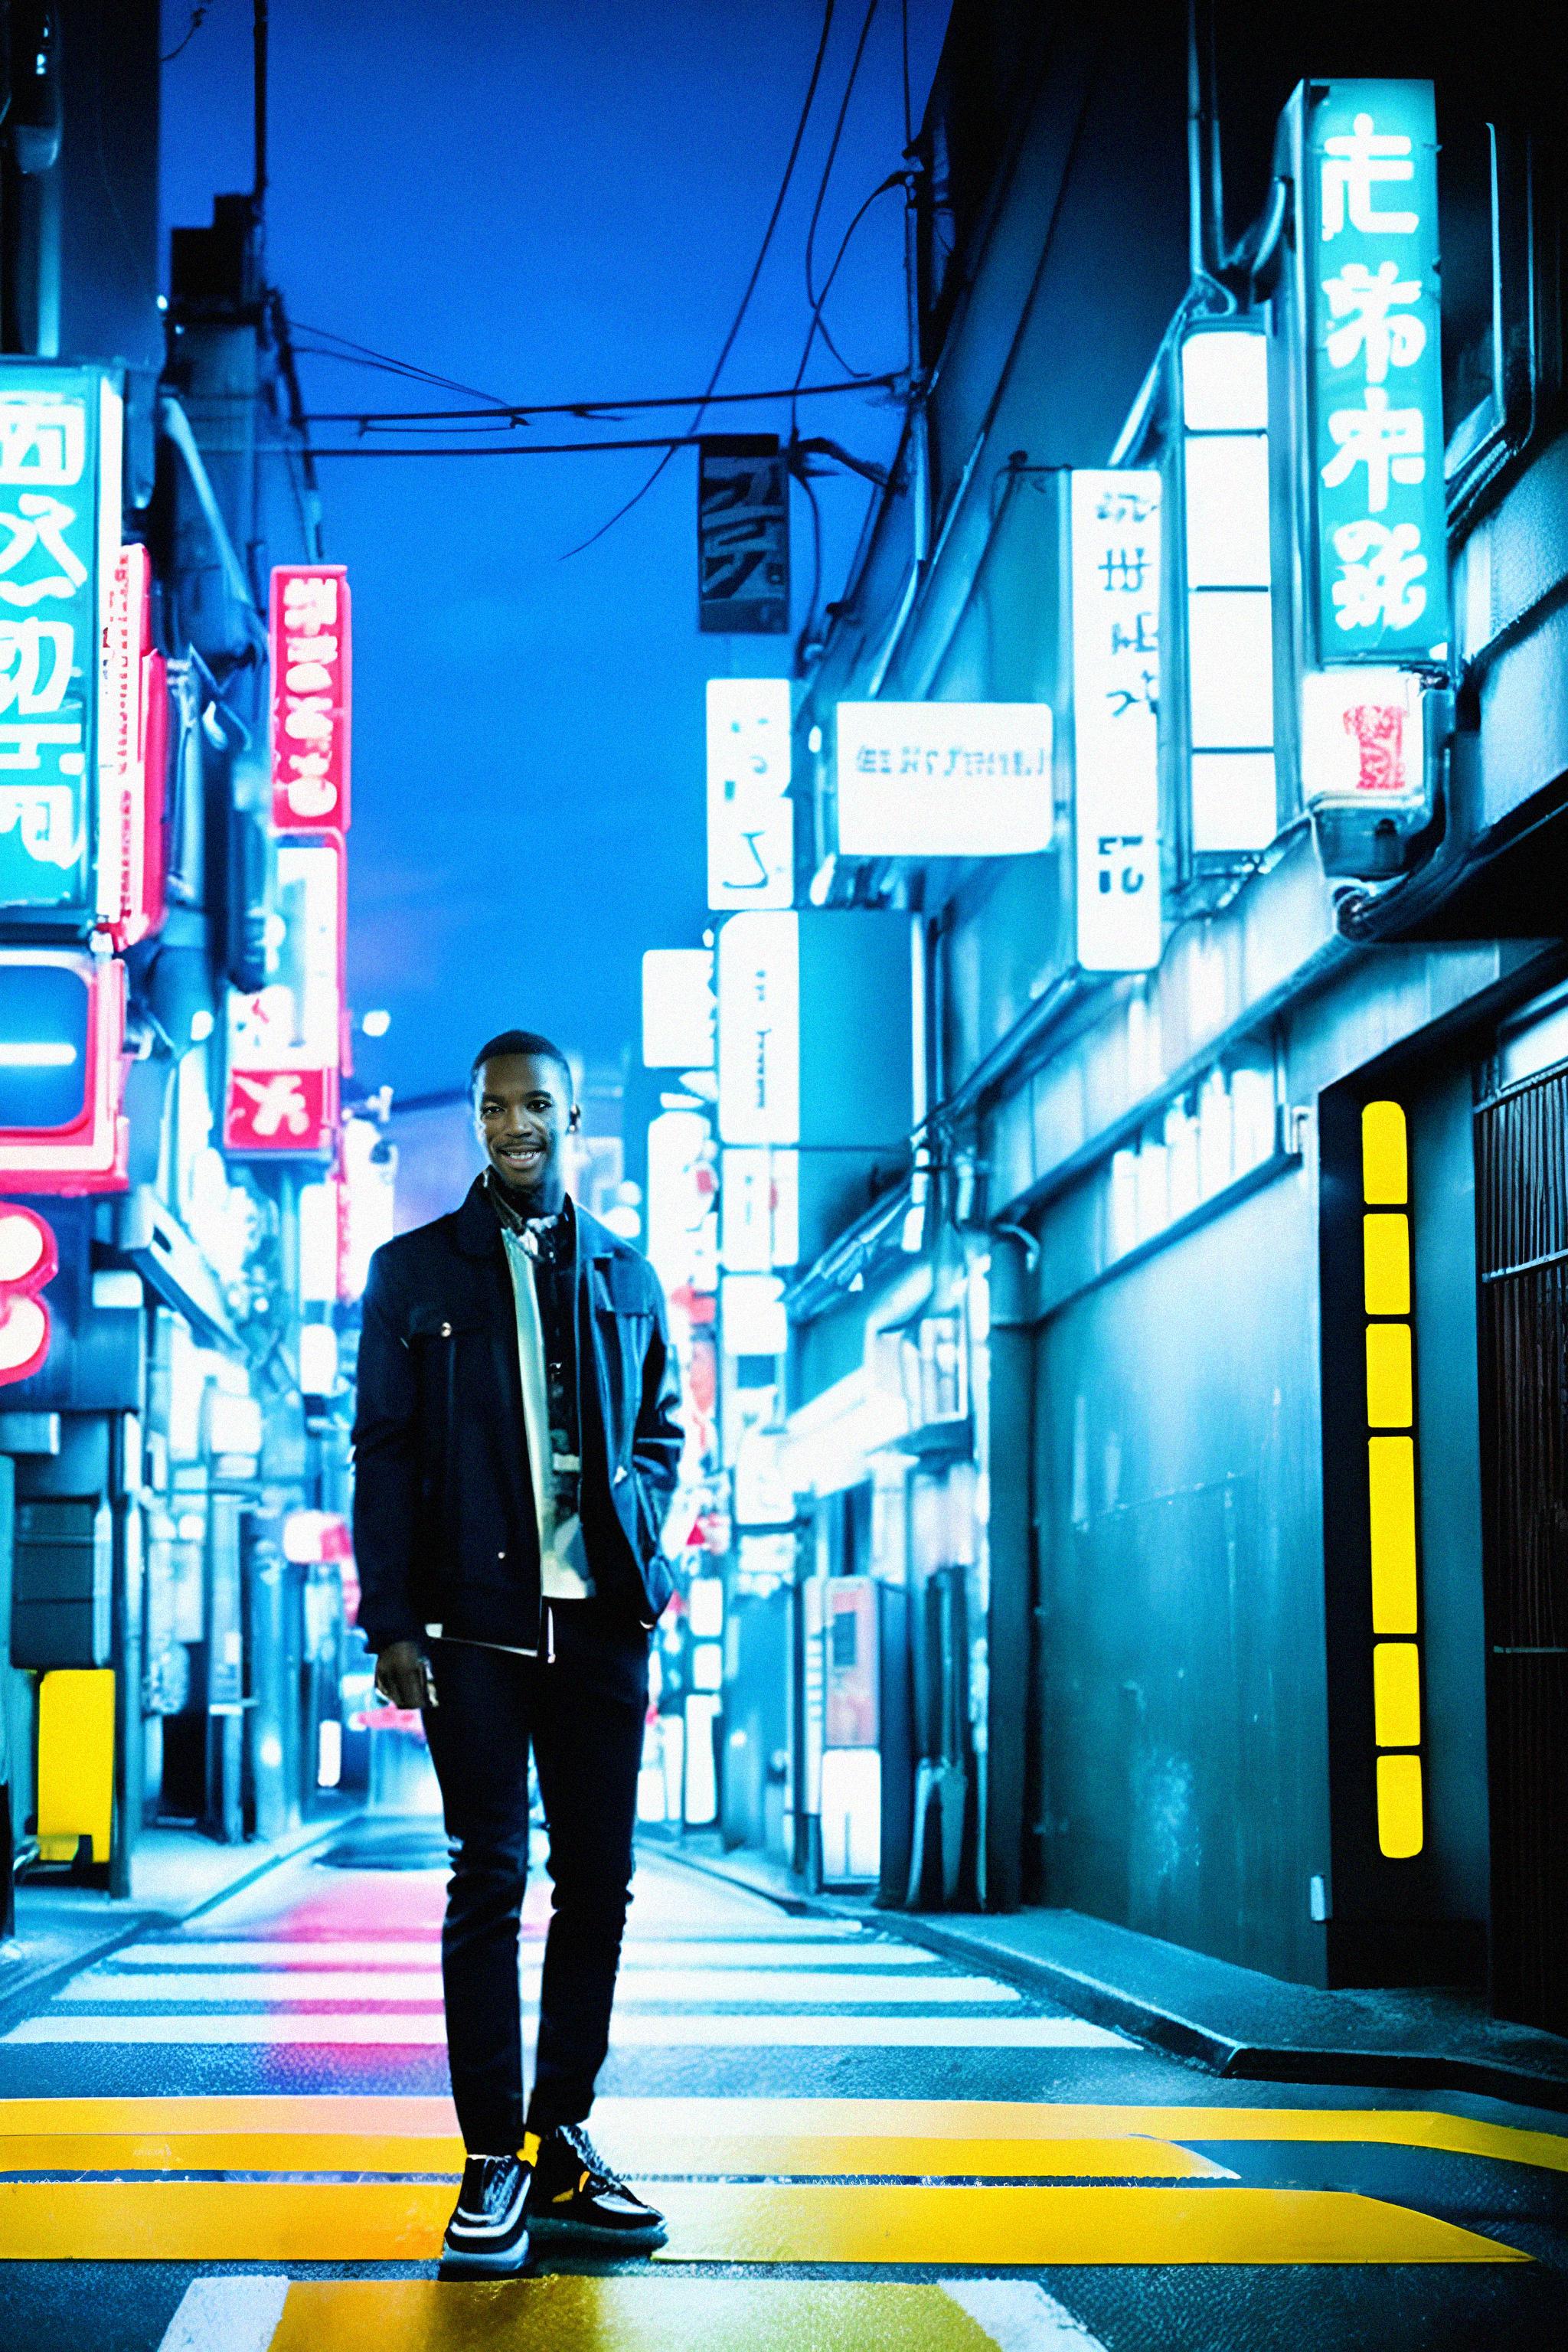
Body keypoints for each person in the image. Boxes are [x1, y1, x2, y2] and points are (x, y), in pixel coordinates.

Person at [352, 1029, 681, 2275]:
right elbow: (380, 1454)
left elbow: (663, 1430)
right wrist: (390, 1620)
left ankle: (563, 2139)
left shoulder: (629, 1275)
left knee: (598, 1887)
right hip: (473, 1632)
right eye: (495, 1108)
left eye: (536, 1105)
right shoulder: (411, 1275)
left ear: (574, 1117)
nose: (513, 1126)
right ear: (478, 1122)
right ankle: (492, 2153)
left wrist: (638, 1542)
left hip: (600, 1627)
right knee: (487, 1883)